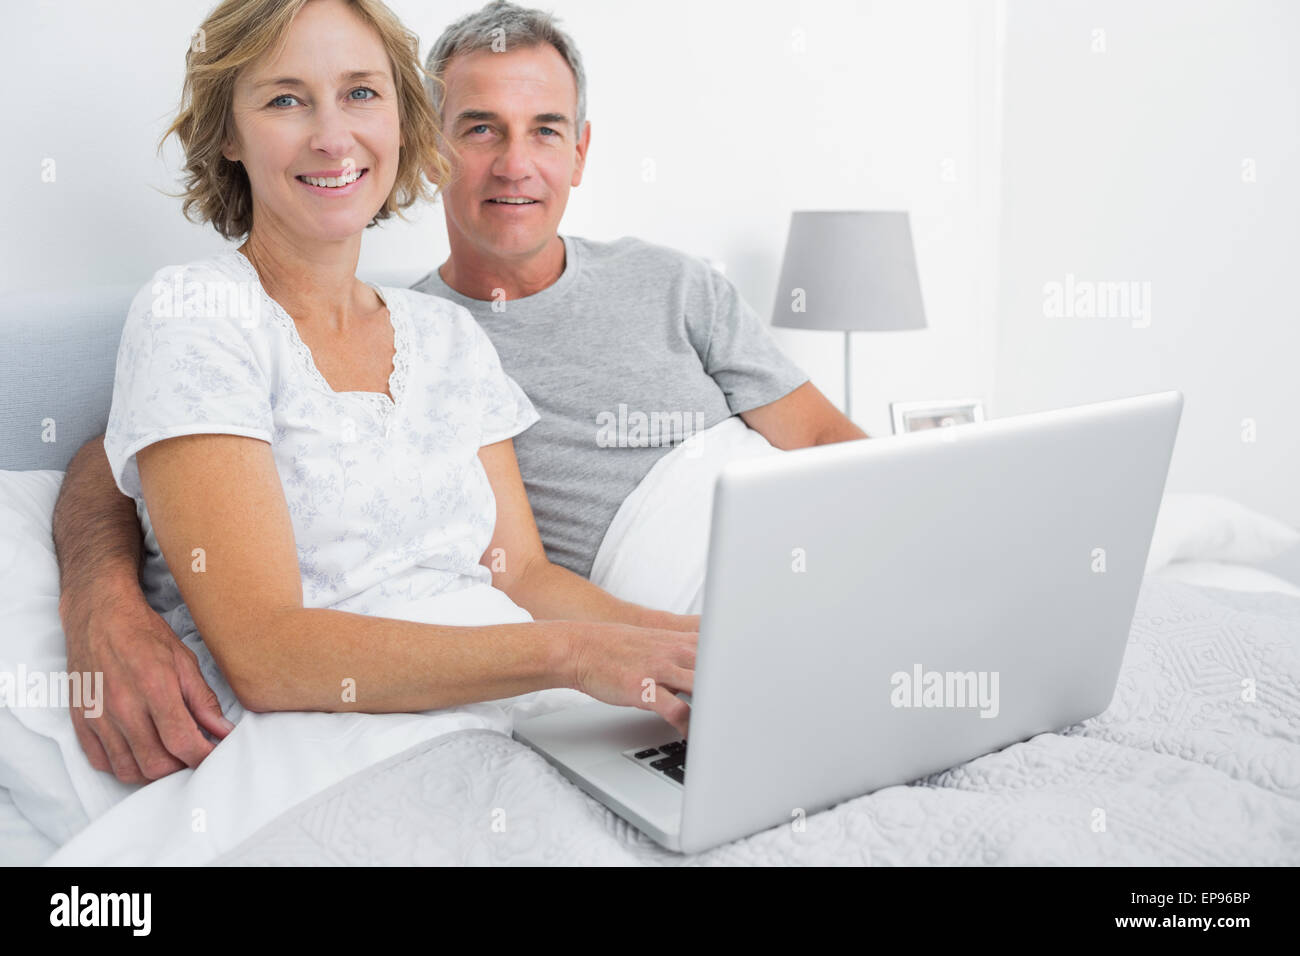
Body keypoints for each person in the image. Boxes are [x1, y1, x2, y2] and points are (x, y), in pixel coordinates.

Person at [53, 0, 866, 784]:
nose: (333, 135)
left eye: (362, 94)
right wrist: (574, 656)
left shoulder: (445, 337)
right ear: (229, 131)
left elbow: (521, 575)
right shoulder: (201, 312)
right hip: (360, 733)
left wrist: (700, 645)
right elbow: (255, 637)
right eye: (286, 99)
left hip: (524, 703)